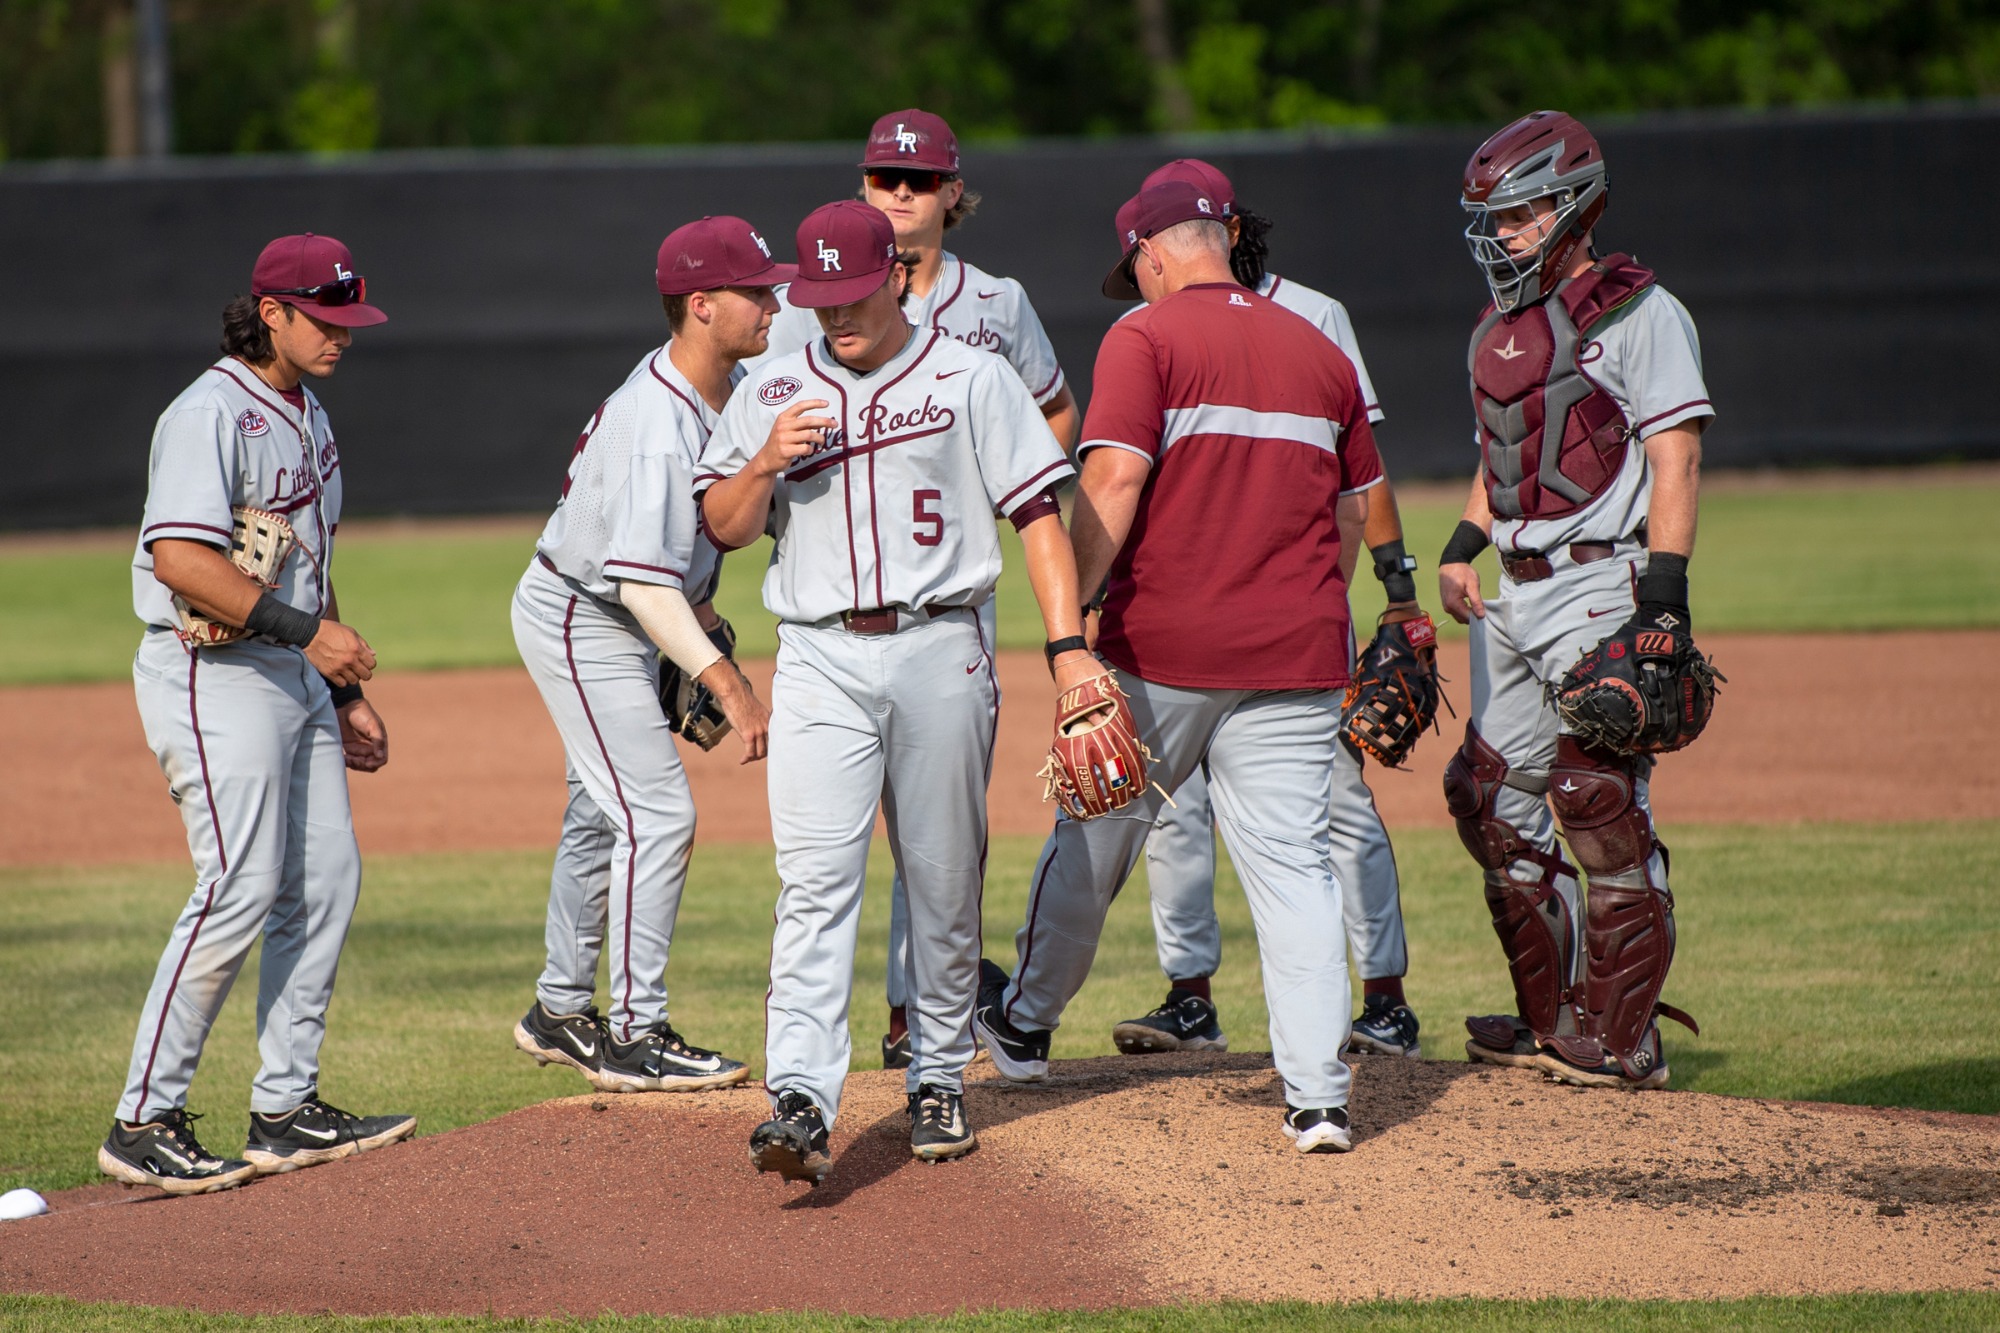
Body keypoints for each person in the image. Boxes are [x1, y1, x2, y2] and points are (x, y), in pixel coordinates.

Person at [974, 180, 1384, 1155]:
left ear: (1153, 251)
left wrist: (1067, 619)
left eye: (1136, 269)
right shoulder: (1317, 348)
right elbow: (1352, 510)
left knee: (1093, 835)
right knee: (1293, 868)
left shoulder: (1145, 340)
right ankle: (1318, 1097)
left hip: (1162, 651)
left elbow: (1111, 477)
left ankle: (1025, 1027)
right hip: (1294, 654)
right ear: (1224, 237)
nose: (1138, 284)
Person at [699, 200, 1091, 1183]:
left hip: (938, 646)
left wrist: (1067, 648)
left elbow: (1037, 520)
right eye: (817, 298)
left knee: (941, 876)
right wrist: (761, 461)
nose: (833, 316)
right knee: (814, 880)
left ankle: (934, 1075)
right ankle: (799, 1094)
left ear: (897, 278)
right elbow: (722, 523)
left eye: (850, 294)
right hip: (820, 656)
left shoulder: (972, 375)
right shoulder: (774, 386)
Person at [102, 233, 414, 1194]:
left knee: (323, 881)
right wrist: (313, 640)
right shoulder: (206, 414)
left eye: (349, 319)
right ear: (269, 311)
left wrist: (342, 688)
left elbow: (304, 564)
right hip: (211, 672)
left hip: (290, 674)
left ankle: (285, 1107)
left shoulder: (309, 411)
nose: (341, 336)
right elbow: (182, 561)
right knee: (237, 882)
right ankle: (143, 1117)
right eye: (325, 319)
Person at [1107, 158, 1428, 1062]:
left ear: (1229, 233)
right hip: (1183, 609)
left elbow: (1364, 475)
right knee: (1172, 806)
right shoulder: (1149, 322)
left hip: (1295, 603)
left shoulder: (1314, 315)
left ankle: (1387, 998)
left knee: (1336, 801)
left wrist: (1398, 595)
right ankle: (1190, 993)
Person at [1437, 110, 1712, 1090]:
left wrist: (1665, 605)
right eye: (1493, 219)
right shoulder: (1498, 329)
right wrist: (1464, 544)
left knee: (1590, 796)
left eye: (1516, 215)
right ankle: (1549, 1018)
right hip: (1510, 592)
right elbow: (1503, 457)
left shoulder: (1636, 313)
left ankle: (1626, 1037)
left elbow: (1672, 452)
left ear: (1571, 207)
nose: (1501, 234)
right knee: (1486, 801)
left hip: (1603, 581)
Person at [509, 216, 784, 1096]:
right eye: (753, 290)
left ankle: (558, 1008)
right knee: (656, 814)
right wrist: (723, 677)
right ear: (701, 306)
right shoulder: (655, 422)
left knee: (602, 812)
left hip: (630, 608)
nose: (772, 300)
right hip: (585, 613)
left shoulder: (723, 383)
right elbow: (639, 585)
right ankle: (634, 1032)